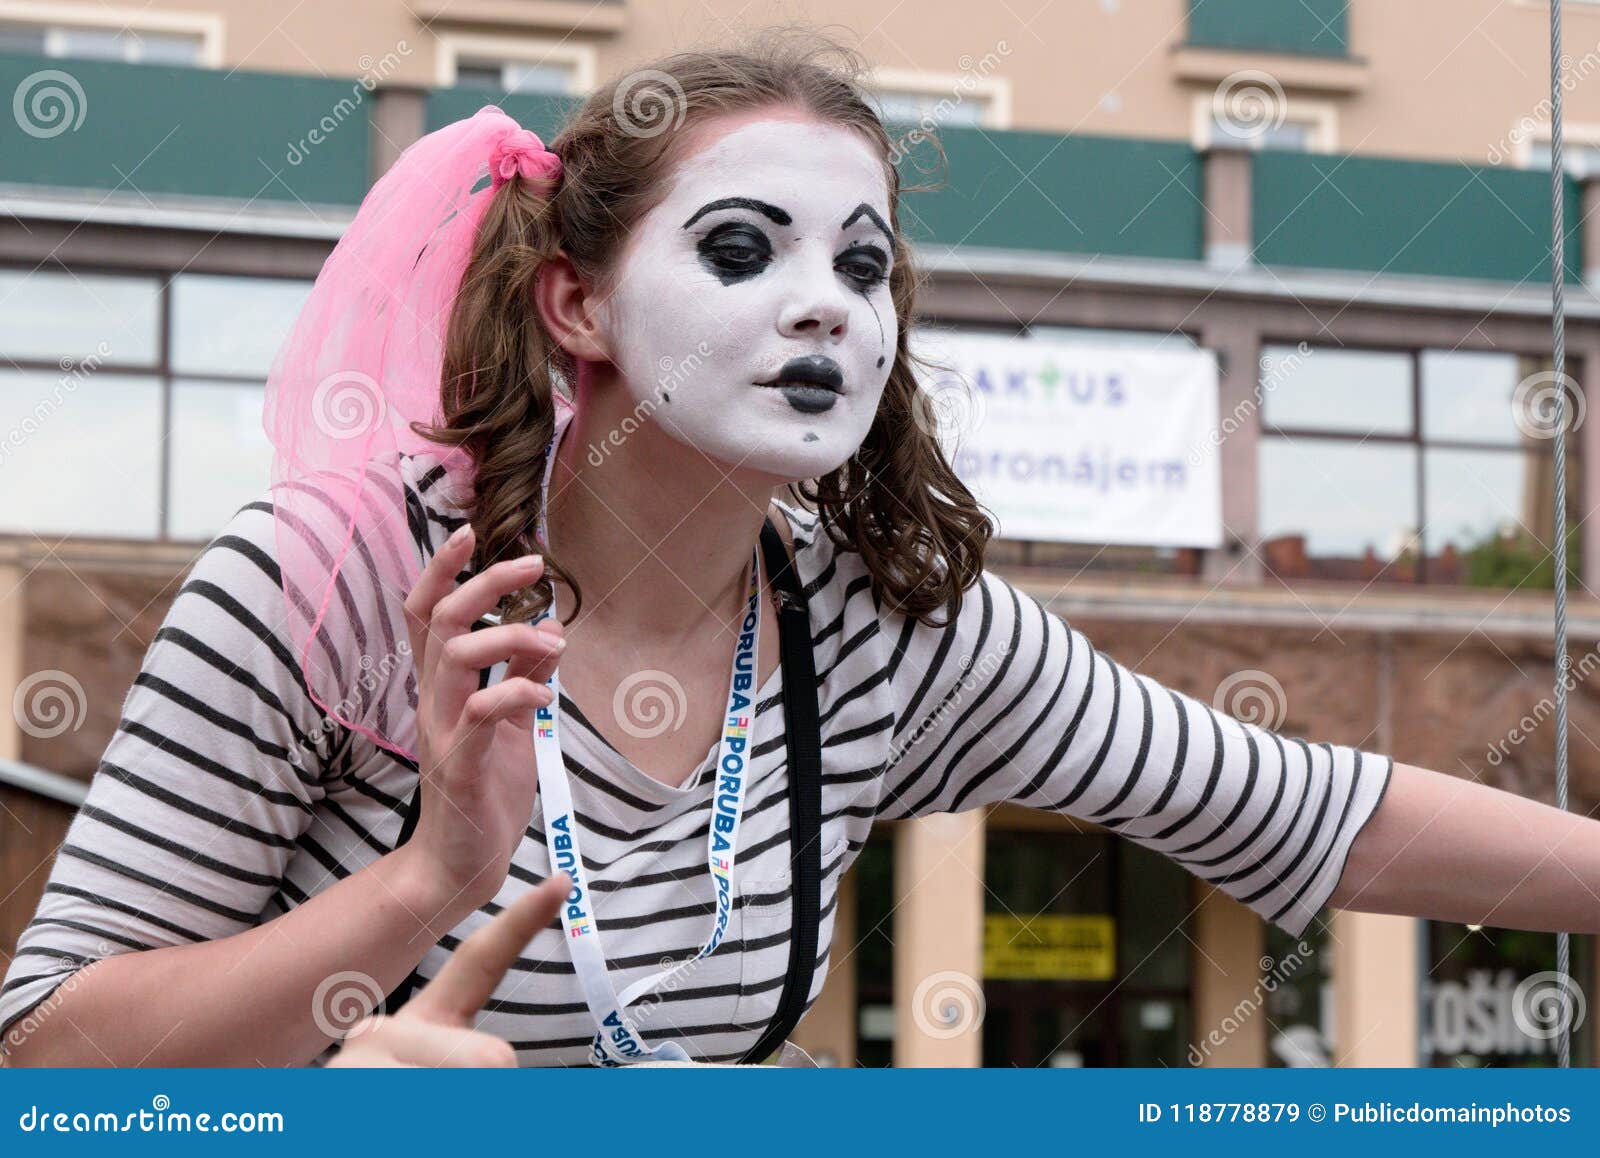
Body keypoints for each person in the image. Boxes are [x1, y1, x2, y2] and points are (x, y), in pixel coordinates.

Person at [3, 29, 1598, 1070]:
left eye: (866, 261)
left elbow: (1316, 813)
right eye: (744, 248)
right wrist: (414, 902)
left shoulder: (892, 630)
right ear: (578, 303)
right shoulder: (338, 585)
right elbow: (48, 1066)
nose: (827, 301)